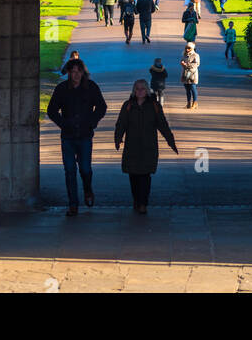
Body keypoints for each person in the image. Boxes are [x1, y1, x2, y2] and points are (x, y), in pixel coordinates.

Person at [46, 57, 107, 216]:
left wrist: (92, 121)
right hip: (68, 136)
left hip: (85, 135)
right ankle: (73, 203)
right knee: (70, 170)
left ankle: (87, 189)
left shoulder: (91, 87)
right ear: (68, 73)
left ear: (82, 72)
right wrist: (63, 123)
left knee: (85, 169)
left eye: (78, 71)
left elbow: (101, 106)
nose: (76, 75)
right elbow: (51, 110)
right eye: (73, 72)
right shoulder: (61, 89)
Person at [114, 78, 178, 214]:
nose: (140, 91)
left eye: (143, 88)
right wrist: (118, 139)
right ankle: (137, 200)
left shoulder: (154, 106)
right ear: (134, 91)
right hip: (132, 147)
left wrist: (170, 141)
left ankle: (143, 203)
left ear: (147, 90)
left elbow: (163, 125)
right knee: (133, 176)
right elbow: (121, 124)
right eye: (137, 89)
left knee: (145, 176)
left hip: (149, 147)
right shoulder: (128, 105)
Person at [180, 43, 200, 108]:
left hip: (192, 74)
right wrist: (182, 63)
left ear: (192, 48)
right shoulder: (184, 55)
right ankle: (188, 103)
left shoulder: (195, 55)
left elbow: (195, 65)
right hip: (185, 74)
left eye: (189, 48)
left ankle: (195, 102)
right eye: (186, 48)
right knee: (187, 90)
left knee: (193, 88)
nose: (187, 49)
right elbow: (182, 61)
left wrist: (186, 65)